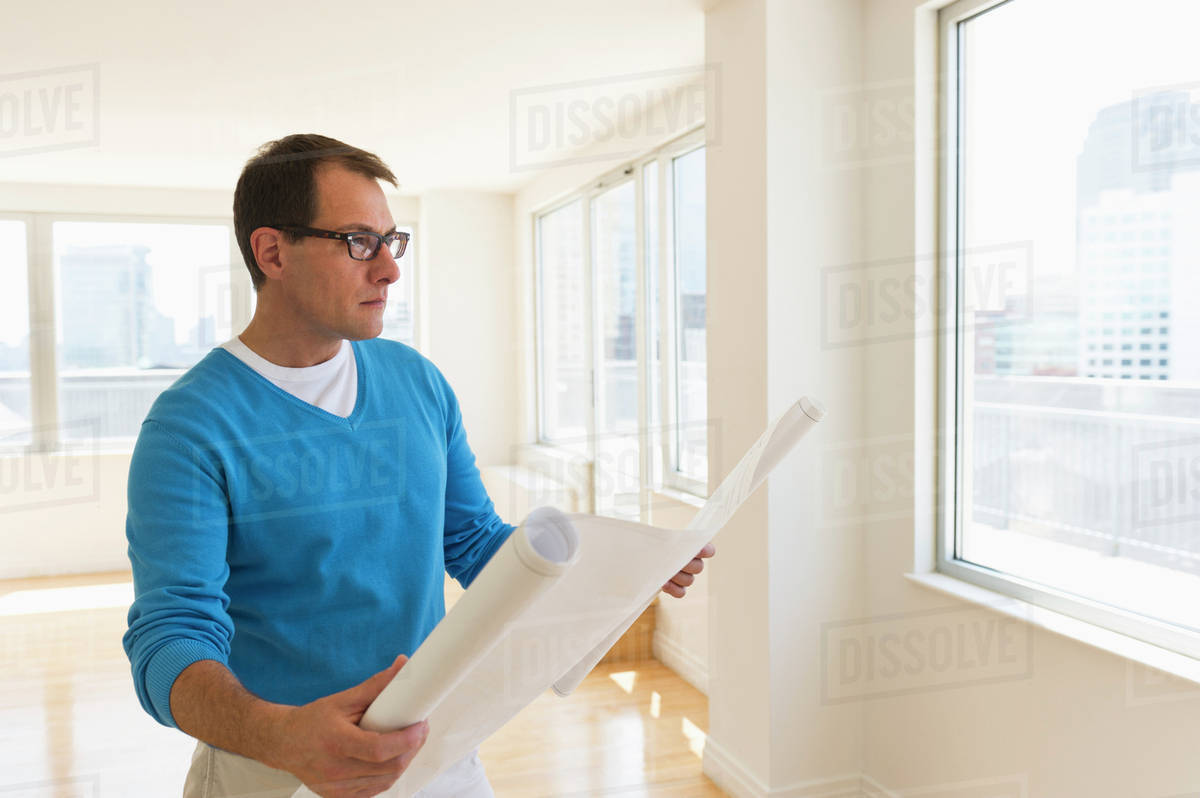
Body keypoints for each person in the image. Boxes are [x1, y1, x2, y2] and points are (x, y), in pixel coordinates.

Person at [122, 133, 716, 798]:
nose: (389, 270)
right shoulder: (190, 428)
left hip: (436, 754)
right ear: (272, 252)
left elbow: (474, 544)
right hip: (275, 769)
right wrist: (282, 735)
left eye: (391, 241)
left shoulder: (417, 383)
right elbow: (171, 638)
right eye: (358, 242)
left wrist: (621, 568)